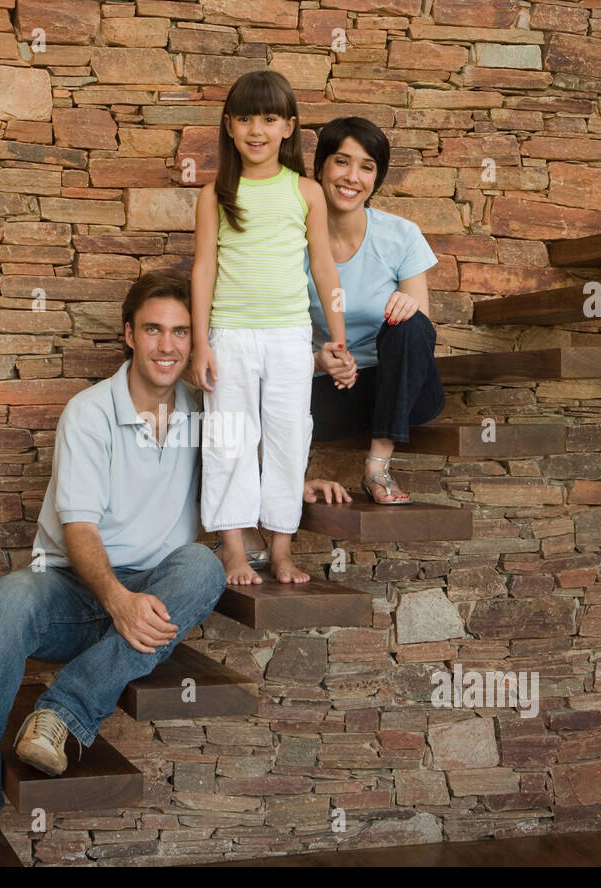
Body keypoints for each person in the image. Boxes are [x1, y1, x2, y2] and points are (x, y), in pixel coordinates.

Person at [0, 270, 350, 860]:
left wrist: (298, 485)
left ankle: (62, 714)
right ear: (129, 334)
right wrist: (116, 601)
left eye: (180, 332)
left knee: (201, 567)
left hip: (155, 593)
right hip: (74, 591)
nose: (168, 345)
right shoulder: (89, 413)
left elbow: (244, 463)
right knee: (5, 601)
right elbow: (80, 529)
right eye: (154, 330)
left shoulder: (204, 408)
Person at [191, 69, 352, 587]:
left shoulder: (305, 191)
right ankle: (234, 550)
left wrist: (338, 335)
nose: (256, 129)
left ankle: (281, 549)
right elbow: (204, 268)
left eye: (269, 118)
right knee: (229, 441)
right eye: (245, 118)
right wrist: (200, 344)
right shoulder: (216, 191)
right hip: (230, 335)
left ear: (288, 127)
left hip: (287, 337)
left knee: (288, 438)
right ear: (229, 127)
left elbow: (324, 268)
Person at [305, 117, 446, 505]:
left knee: (410, 323)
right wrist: (319, 361)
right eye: (342, 161)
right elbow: (281, 335)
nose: (353, 177)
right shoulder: (292, 244)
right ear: (320, 167)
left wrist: (408, 304)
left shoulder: (401, 235)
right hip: (338, 390)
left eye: (366, 167)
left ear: (376, 179)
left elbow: (420, 335)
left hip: (405, 389)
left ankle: (378, 466)